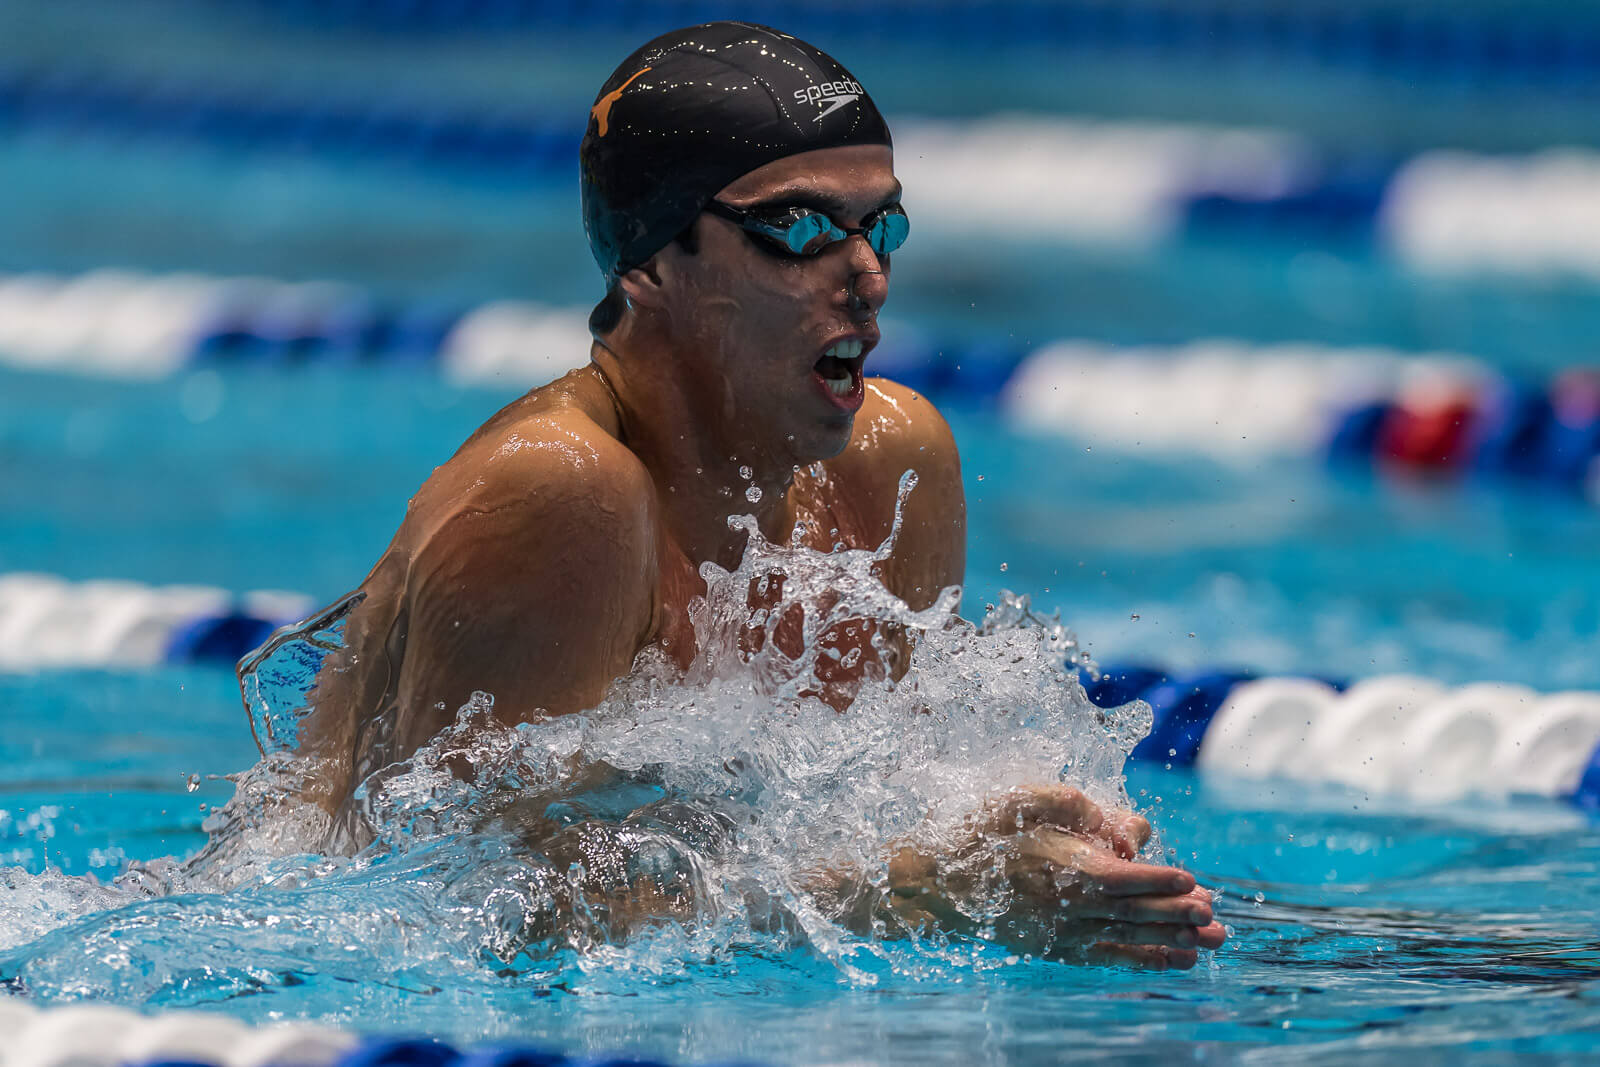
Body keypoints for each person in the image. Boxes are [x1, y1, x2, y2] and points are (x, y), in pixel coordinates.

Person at [279, 21, 1226, 970]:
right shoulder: (566, 493)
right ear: (652, 261)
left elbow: (852, 815)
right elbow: (483, 919)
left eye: (880, 226)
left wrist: (1011, 854)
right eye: (801, 228)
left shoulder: (889, 463)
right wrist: (916, 890)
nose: (868, 277)